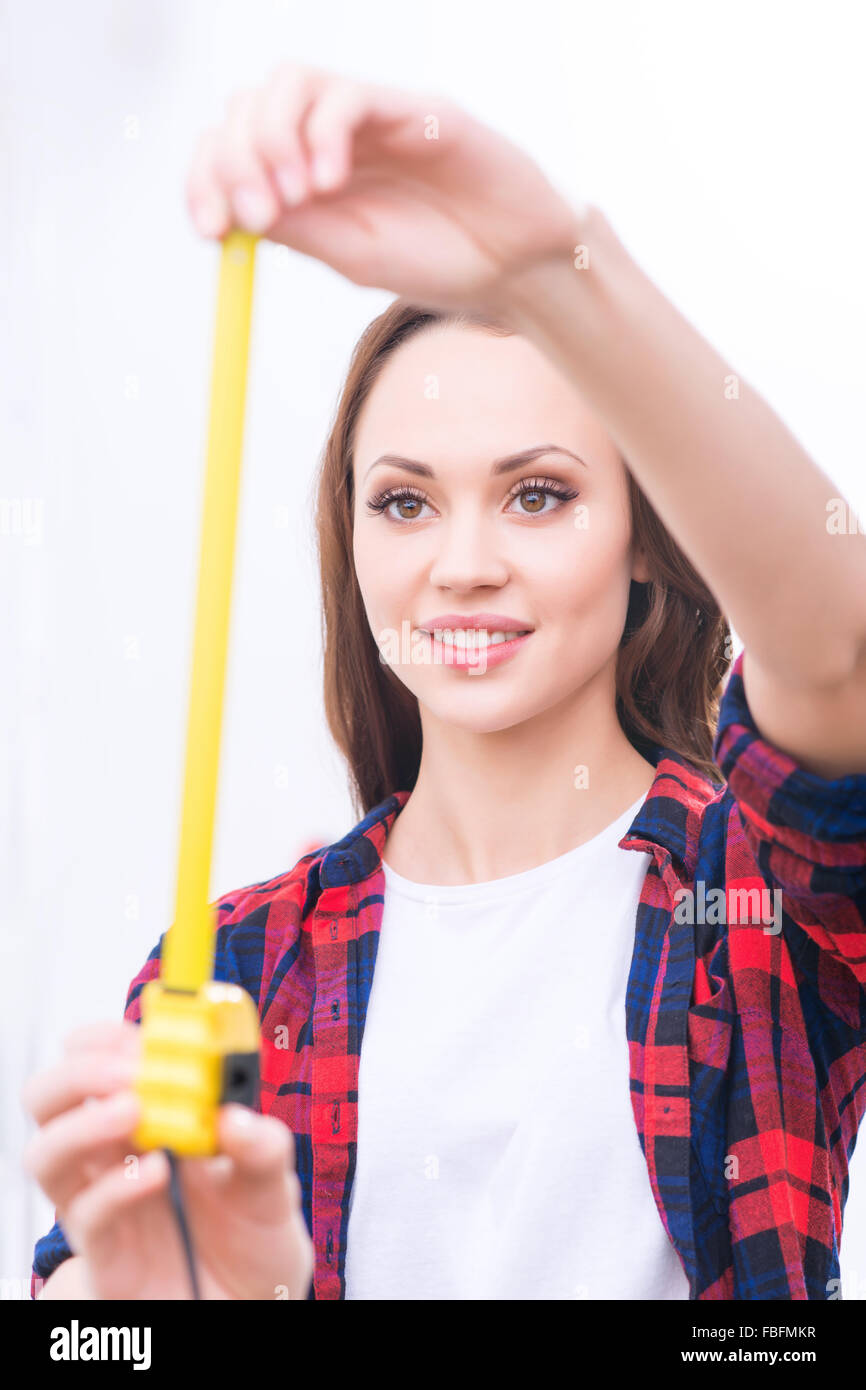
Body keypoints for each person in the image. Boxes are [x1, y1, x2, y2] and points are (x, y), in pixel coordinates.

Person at [22, 61, 866, 1301]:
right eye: (405, 502)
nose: (462, 566)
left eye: (537, 494)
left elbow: (838, 655)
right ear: (350, 541)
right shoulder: (233, 974)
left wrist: (551, 270)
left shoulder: (751, 902)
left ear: (643, 534)